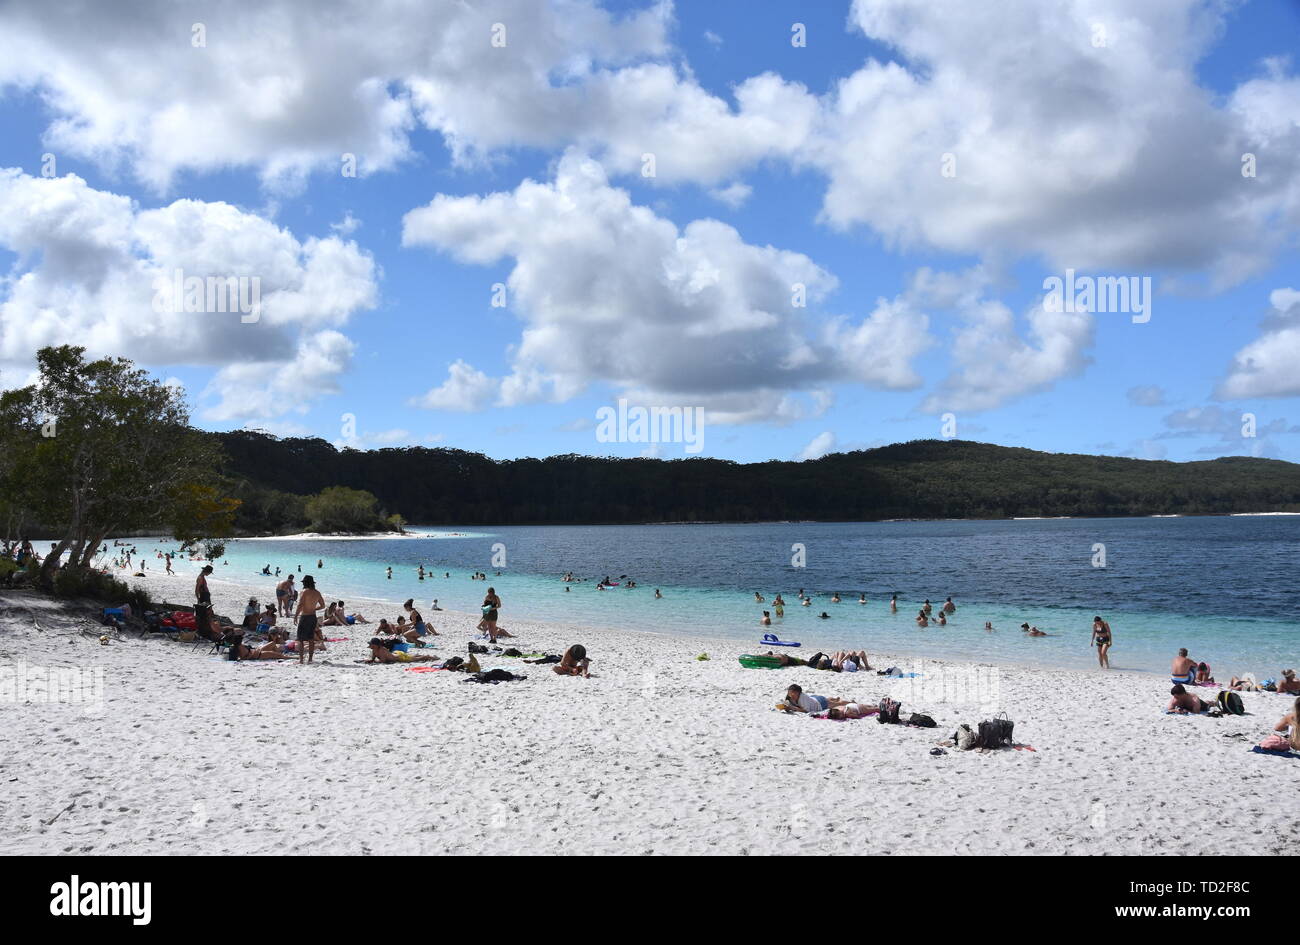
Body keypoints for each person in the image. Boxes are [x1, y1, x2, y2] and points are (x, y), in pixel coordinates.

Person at [294, 575, 325, 664]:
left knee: (300, 639)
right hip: (313, 617)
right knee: (311, 639)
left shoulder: (304, 592)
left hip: (305, 616)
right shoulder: (317, 593)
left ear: (305, 583)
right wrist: (315, 609)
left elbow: (300, 605)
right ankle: (310, 659)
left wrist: (296, 616)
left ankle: (301, 660)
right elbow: (323, 605)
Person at [780, 684, 847, 714]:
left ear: (798, 693)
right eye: (790, 693)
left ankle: (849, 702)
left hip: (820, 703)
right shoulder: (789, 696)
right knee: (828, 700)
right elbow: (786, 703)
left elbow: (806, 711)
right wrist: (785, 707)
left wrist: (793, 708)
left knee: (839, 704)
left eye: (793, 693)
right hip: (813, 698)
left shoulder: (803, 698)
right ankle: (834, 699)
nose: (791, 695)